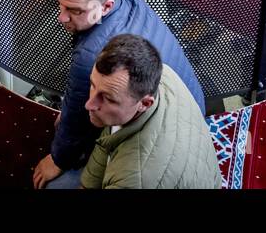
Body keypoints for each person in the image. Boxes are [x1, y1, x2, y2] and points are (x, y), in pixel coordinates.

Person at [33, 0, 206, 189]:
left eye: (75, 10)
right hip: (193, 107)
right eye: (60, 5)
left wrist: (58, 159)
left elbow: (77, 119)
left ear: (106, 6)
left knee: (55, 185)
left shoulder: (90, 57)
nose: (61, 17)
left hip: (159, 143)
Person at [78, 34, 222, 189]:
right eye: (93, 85)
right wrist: (87, 184)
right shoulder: (161, 74)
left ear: (145, 103)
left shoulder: (135, 179)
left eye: (108, 99)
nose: (89, 104)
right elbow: (109, 139)